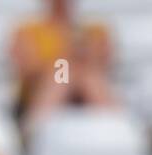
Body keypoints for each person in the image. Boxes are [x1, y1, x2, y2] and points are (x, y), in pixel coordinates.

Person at [10, 0, 116, 139]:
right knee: (63, 72)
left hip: (83, 96)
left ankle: (117, 129)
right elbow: (27, 70)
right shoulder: (26, 31)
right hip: (39, 96)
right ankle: (34, 130)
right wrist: (66, 58)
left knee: (85, 75)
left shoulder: (95, 31)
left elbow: (102, 65)